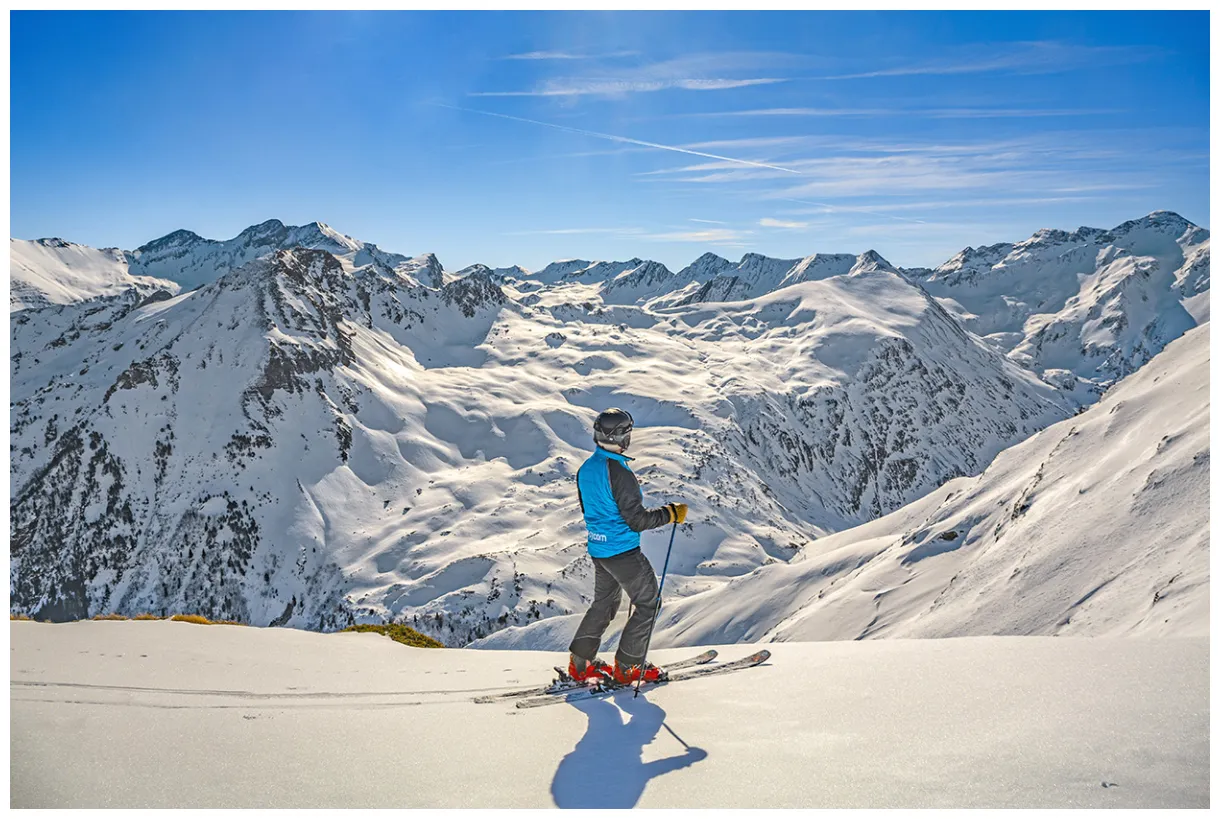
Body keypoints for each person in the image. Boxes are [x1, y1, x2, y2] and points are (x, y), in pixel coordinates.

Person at [567, 407, 688, 685]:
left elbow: (589, 510)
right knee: (648, 604)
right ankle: (629, 667)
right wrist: (670, 513)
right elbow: (636, 521)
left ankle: (580, 665)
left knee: (604, 605)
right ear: (623, 437)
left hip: (599, 550)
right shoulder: (619, 472)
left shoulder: (587, 468)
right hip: (623, 552)